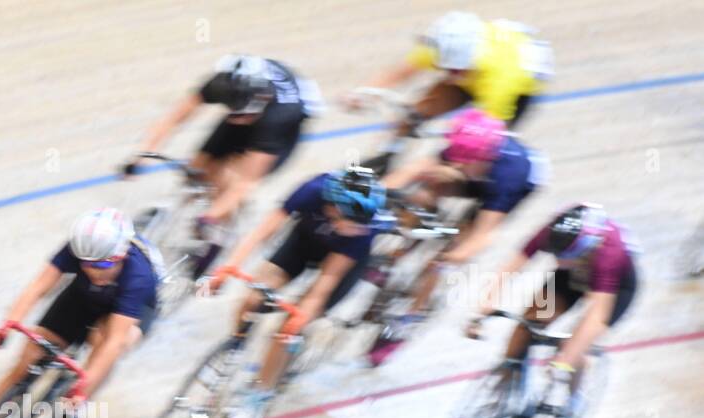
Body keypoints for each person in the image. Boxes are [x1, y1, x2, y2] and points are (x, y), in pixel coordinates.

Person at [206, 166, 387, 418]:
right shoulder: (313, 190)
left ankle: (256, 399)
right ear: (332, 207)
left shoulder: (363, 233)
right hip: (303, 243)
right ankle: (235, 348)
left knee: (286, 331)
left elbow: (325, 282)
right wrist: (227, 267)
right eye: (351, 222)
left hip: (338, 265)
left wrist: (297, 320)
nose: (357, 228)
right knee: (253, 299)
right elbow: (261, 233)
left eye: (360, 223)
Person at [368, 108, 545, 364]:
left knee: (444, 259)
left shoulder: (509, 176)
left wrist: (451, 258)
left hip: (503, 188)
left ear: (484, 155)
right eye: (456, 157)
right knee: (422, 195)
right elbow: (415, 169)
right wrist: (372, 197)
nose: (458, 163)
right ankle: (396, 254)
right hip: (476, 172)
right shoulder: (463, 150)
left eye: (464, 160)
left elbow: (484, 234)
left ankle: (411, 316)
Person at [122, 54, 320, 275]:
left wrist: (209, 218)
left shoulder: (281, 116)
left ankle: (218, 236)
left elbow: (246, 182)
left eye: (246, 113)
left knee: (232, 178)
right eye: (236, 112)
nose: (242, 119)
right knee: (198, 167)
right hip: (253, 108)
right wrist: (140, 155)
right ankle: (175, 209)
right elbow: (175, 118)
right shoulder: (220, 85)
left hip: (282, 130)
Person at [0, 209, 160, 418]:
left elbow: (114, 341)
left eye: (103, 264)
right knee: (31, 353)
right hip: (85, 295)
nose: (95, 272)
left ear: (121, 255)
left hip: (130, 309)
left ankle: (75, 408)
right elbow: (37, 287)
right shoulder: (78, 249)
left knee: (104, 341)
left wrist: (83, 387)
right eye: (86, 263)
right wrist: (6, 326)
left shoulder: (138, 276)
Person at [466, 204, 637, 415]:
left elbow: (596, 317)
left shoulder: (610, 254)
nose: (557, 260)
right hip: (570, 275)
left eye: (564, 255)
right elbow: (509, 269)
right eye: (556, 254)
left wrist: (565, 360)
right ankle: (501, 391)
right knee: (526, 325)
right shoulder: (551, 232)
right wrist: (482, 309)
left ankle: (573, 401)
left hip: (616, 287)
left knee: (573, 345)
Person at [345, 12, 552, 128]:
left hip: (515, 90)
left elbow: (487, 131)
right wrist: (362, 92)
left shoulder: (502, 83)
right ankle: (384, 158)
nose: (445, 74)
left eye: (452, 71)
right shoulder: (448, 46)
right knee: (413, 115)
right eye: (444, 68)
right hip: (478, 71)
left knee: (468, 157)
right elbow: (402, 72)